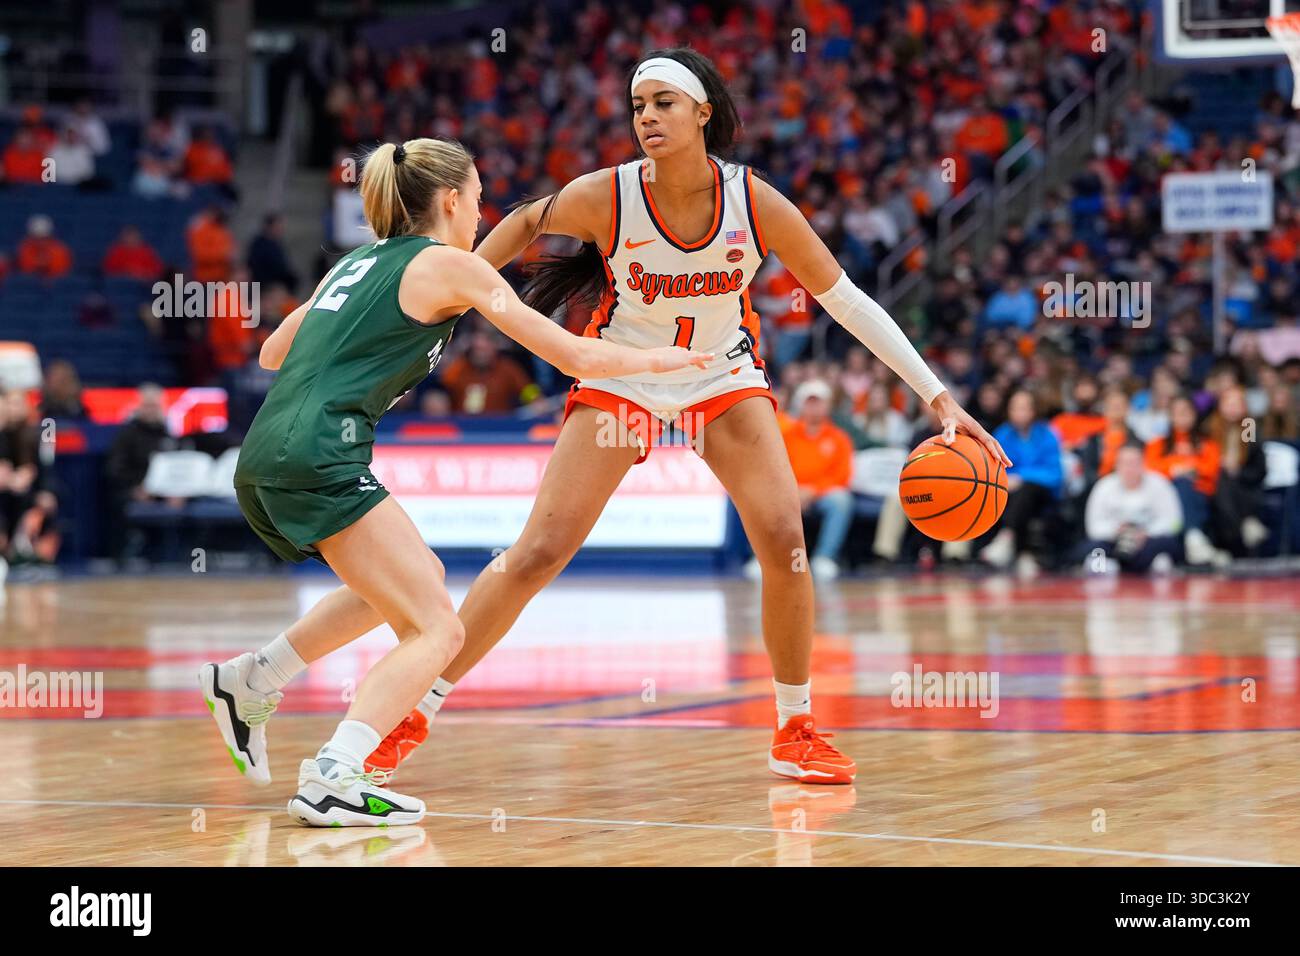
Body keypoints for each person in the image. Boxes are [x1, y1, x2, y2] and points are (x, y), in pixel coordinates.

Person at [363, 50, 1006, 785]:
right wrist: (456, 291)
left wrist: (938, 396)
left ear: (704, 112)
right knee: (539, 551)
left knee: (784, 539)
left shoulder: (754, 202)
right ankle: (414, 713)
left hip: (720, 377)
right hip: (624, 376)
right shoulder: (607, 195)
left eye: (664, 103)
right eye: (639, 106)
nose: (647, 118)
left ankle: (794, 726)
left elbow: (846, 300)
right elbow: (521, 223)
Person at [198, 137, 709, 828]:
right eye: (475, 197)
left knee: (405, 587)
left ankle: (253, 678)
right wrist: (669, 363)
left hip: (266, 454)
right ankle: (335, 774)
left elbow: (272, 349)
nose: (480, 211)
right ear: (448, 200)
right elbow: (569, 351)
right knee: (438, 629)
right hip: (320, 452)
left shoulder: (355, 262)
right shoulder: (450, 267)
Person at [979, 389, 1062, 574]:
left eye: (1024, 408)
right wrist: (1009, 480)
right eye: (1015, 408)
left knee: (1027, 491)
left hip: (1043, 494)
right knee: (1018, 497)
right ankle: (1024, 554)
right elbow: (995, 470)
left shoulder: (1048, 434)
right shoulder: (1003, 434)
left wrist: (1021, 476)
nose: (1019, 413)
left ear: (1033, 411)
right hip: (1010, 492)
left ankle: (1007, 538)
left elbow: (1055, 474)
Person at [1144, 394, 1223, 566]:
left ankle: (1192, 537)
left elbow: (1211, 469)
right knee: (1179, 484)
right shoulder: (1157, 444)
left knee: (1184, 485)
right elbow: (1150, 469)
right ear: (1170, 416)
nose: (1182, 417)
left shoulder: (1208, 444)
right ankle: (1193, 537)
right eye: (1177, 412)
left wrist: (1189, 469)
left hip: (1200, 495)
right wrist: (1176, 469)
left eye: (1186, 412)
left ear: (1194, 415)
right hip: (1165, 498)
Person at [1081, 443, 1183, 575]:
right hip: (1114, 542)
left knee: (1166, 545)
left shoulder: (1160, 485)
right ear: (1117, 465)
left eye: (1134, 463)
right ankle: (1109, 565)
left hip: (1148, 542)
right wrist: (1115, 531)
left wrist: (1146, 533)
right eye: (1125, 463)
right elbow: (1093, 526)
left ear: (1143, 464)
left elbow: (1174, 522)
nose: (1129, 468)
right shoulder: (1103, 487)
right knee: (1094, 548)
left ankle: (1147, 565)